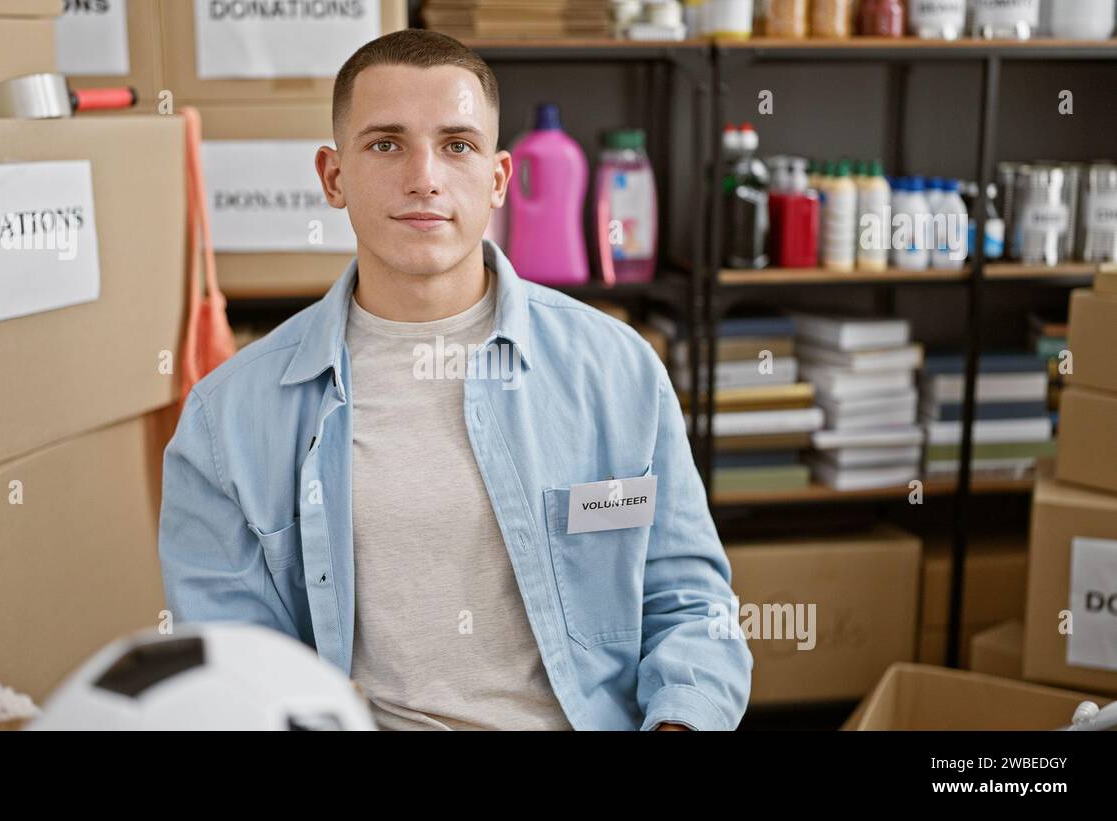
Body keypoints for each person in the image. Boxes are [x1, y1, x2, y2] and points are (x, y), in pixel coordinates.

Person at [158, 28, 751, 731]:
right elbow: (235, 674)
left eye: (457, 145)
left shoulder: (618, 372)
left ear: (499, 178)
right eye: (385, 144)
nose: (425, 178)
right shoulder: (228, 418)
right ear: (333, 176)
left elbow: (690, 605)